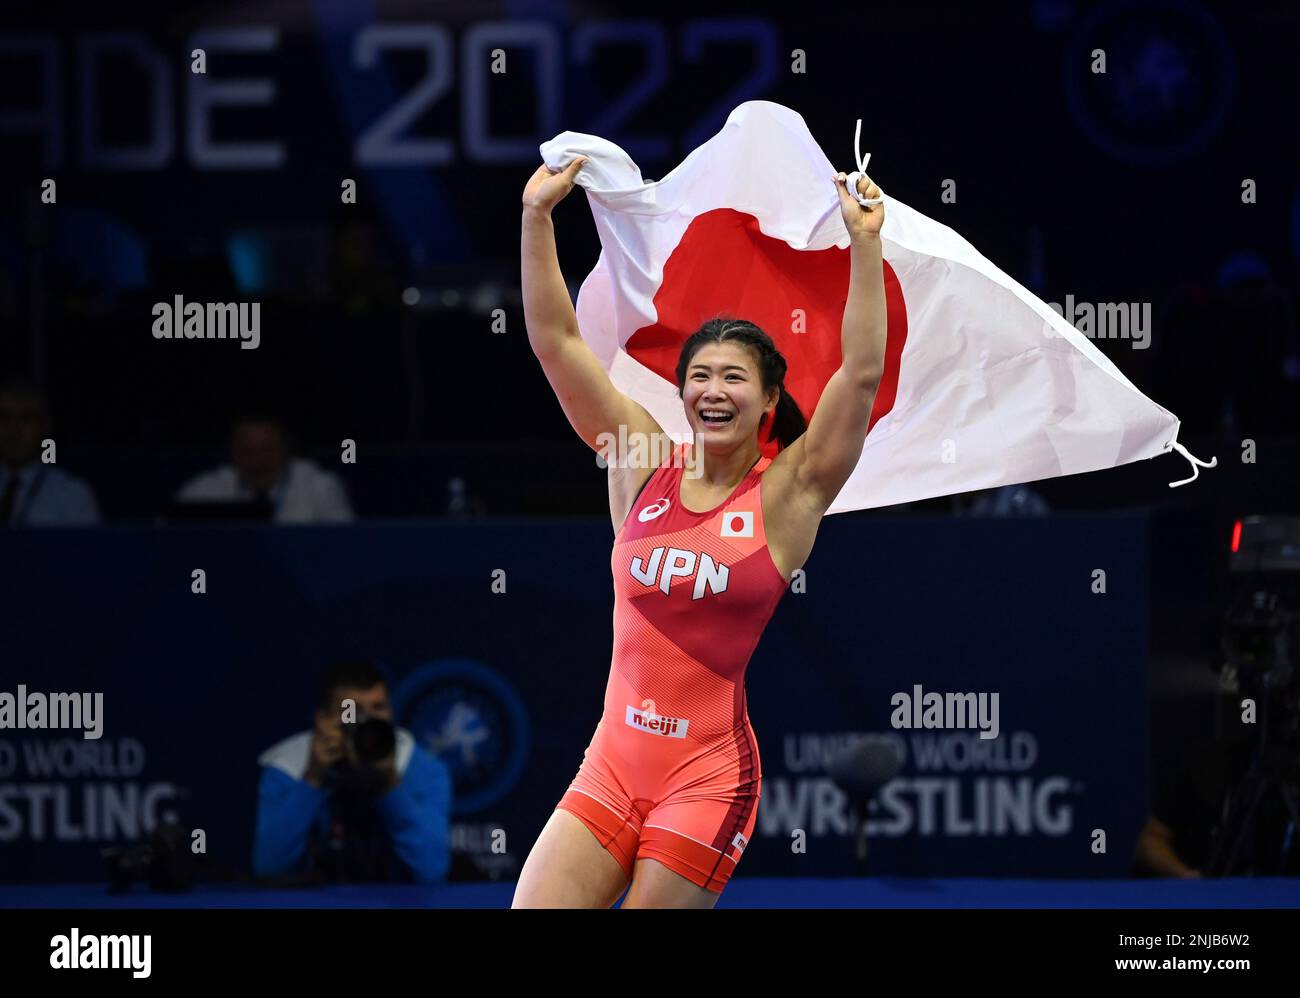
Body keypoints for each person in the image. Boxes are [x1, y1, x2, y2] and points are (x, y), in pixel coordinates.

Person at [512, 157, 888, 907]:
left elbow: (862, 374)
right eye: (700, 376)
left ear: (769, 399)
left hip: (707, 780)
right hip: (610, 767)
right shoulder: (639, 458)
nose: (713, 391)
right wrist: (535, 218)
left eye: (734, 378)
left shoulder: (791, 492)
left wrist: (865, 245)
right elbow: (557, 342)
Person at [252, 661, 452, 884]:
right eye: (352, 711)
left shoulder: (421, 768)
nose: (367, 722)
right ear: (323, 720)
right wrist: (314, 778)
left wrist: (390, 784)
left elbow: (432, 871)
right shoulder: (287, 766)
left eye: (378, 708)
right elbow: (270, 869)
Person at [175, 412, 354, 523]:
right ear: (232, 453)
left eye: (267, 450)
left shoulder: (321, 488)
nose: (258, 461)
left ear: (286, 449)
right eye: (247, 451)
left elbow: (344, 545)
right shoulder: (203, 492)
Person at [0, 378, 101, 526]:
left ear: (44, 426)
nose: (13, 431)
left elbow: (90, 548)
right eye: (4, 418)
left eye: (25, 419)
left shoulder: (72, 494)